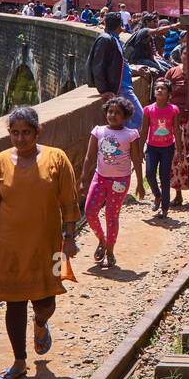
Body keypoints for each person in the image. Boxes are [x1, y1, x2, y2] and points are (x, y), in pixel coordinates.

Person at [0, 106, 80, 379]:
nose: (21, 139)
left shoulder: (56, 159)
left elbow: (69, 201)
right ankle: (19, 361)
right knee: (14, 303)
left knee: (46, 299)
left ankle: (40, 323)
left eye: (26, 132)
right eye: (15, 133)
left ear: (38, 131)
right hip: (10, 244)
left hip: (46, 245)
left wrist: (69, 237)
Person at [78, 96, 145, 268]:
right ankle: (102, 239)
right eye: (110, 111)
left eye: (117, 113)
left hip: (120, 181)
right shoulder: (98, 131)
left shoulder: (131, 135)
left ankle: (110, 251)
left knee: (111, 216)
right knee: (90, 211)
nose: (113, 115)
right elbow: (89, 156)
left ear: (126, 116)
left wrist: (140, 183)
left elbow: (136, 159)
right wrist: (83, 179)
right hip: (99, 178)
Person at [87, 11, 146, 133]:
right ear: (119, 25)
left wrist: (133, 70)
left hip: (123, 86)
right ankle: (128, 146)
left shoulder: (114, 39)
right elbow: (98, 66)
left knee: (128, 122)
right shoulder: (105, 39)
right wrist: (104, 90)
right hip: (120, 89)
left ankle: (126, 147)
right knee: (139, 118)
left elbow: (119, 63)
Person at [143, 79, 181, 217]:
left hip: (167, 148)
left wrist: (180, 150)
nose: (159, 90)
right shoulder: (148, 110)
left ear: (169, 94)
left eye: (163, 89)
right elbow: (144, 130)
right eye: (157, 88)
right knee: (149, 173)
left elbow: (176, 130)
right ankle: (157, 195)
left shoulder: (174, 110)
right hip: (152, 148)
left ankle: (165, 208)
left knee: (164, 177)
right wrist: (141, 147)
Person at [164, 54, 189, 209]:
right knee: (175, 158)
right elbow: (164, 93)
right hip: (175, 122)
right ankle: (178, 195)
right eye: (185, 53)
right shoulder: (172, 73)